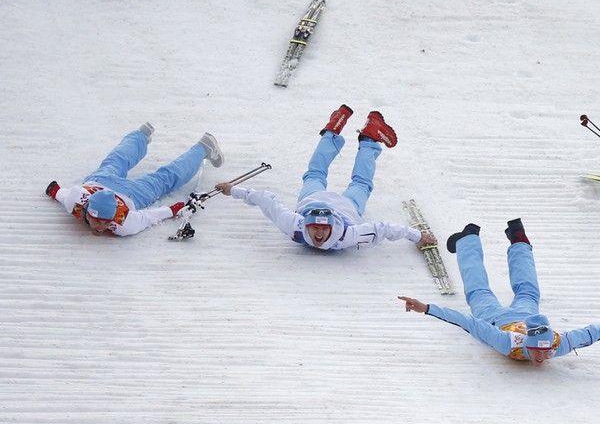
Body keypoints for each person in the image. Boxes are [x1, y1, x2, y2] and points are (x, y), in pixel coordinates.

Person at [398, 219, 600, 366]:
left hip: (524, 314)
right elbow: (466, 321)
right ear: (527, 344)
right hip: (495, 318)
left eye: (544, 352)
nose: (543, 356)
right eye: (538, 351)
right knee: (481, 290)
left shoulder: (557, 343)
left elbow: (597, 332)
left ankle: (495, 239)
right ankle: (473, 239)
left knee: (528, 292)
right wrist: (427, 308)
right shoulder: (506, 341)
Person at [215, 105, 436, 251]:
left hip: (336, 205)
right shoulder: (298, 225)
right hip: (328, 202)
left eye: (322, 229)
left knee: (340, 179)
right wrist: (232, 189)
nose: (319, 233)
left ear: (332, 227)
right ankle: (365, 137)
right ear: (306, 225)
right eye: (316, 228)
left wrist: (417, 237)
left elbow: (382, 229)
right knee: (331, 177)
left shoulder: (345, 234)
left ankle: (339, 132)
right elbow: (264, 199)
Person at [45, 123, 224, 236]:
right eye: (98, 221)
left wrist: (171, 210)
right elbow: (63, 194)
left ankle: (203, 148)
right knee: (116, 160)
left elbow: (147, 217)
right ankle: (140, 136)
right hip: (100, 181)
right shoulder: (74, 200)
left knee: (165, 179)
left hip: (130, 194)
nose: (102, 227)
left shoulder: (123, 224)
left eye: (106, 221)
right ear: (88, 210)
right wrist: (54, 191)